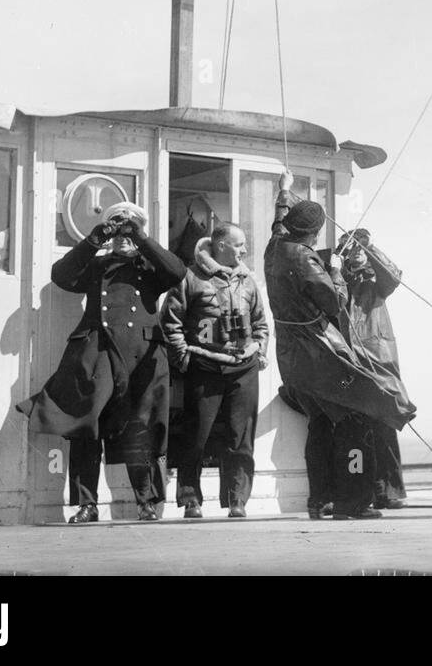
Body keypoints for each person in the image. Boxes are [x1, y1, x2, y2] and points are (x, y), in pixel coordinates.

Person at [17, 202, 186, 522]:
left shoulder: (150, 266)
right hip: (98, 352)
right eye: (117, 227)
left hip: (142, 355)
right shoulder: (97, 265)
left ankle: (147, 502)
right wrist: (95, 239)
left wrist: (141, 239)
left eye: (131, 227)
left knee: (143, 426)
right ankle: (87, 504)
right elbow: (62, 276)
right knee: (86, 426)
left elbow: (177, 271)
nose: (123, 234)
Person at [264, 198, 416, 521]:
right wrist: (335, 272)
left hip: (292, 360)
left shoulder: (273, 248)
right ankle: (354, 502)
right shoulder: (308, 260)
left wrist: (284, 192)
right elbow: (333, 302)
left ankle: (320, 500)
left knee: (320, 427)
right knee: (355, 422)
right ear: (315, 233)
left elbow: (278, 225)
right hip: (320, 358)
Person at [162, 223, 269, 519]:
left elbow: (260, 323)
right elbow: (172, 321)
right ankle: (190, 500)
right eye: (239, 245)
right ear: (221, 245)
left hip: (244, 368)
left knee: (241, 438)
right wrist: (182, 355)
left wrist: (260, 349)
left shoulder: (248, 280)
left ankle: (238, 500)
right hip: (205, 367)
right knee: (196, 436)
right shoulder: (190, 277)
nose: (244, 250)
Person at [338, 228, 408, 510]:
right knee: (356, 429)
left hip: (379, 360)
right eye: (349, 247)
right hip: (349, 359)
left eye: (358, 248)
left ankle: (390, 491)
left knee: (385, 424)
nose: (354, 252)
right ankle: (363, 491)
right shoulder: (339, 278)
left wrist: (371, 248)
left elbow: (394, 276)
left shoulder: (376, 281)